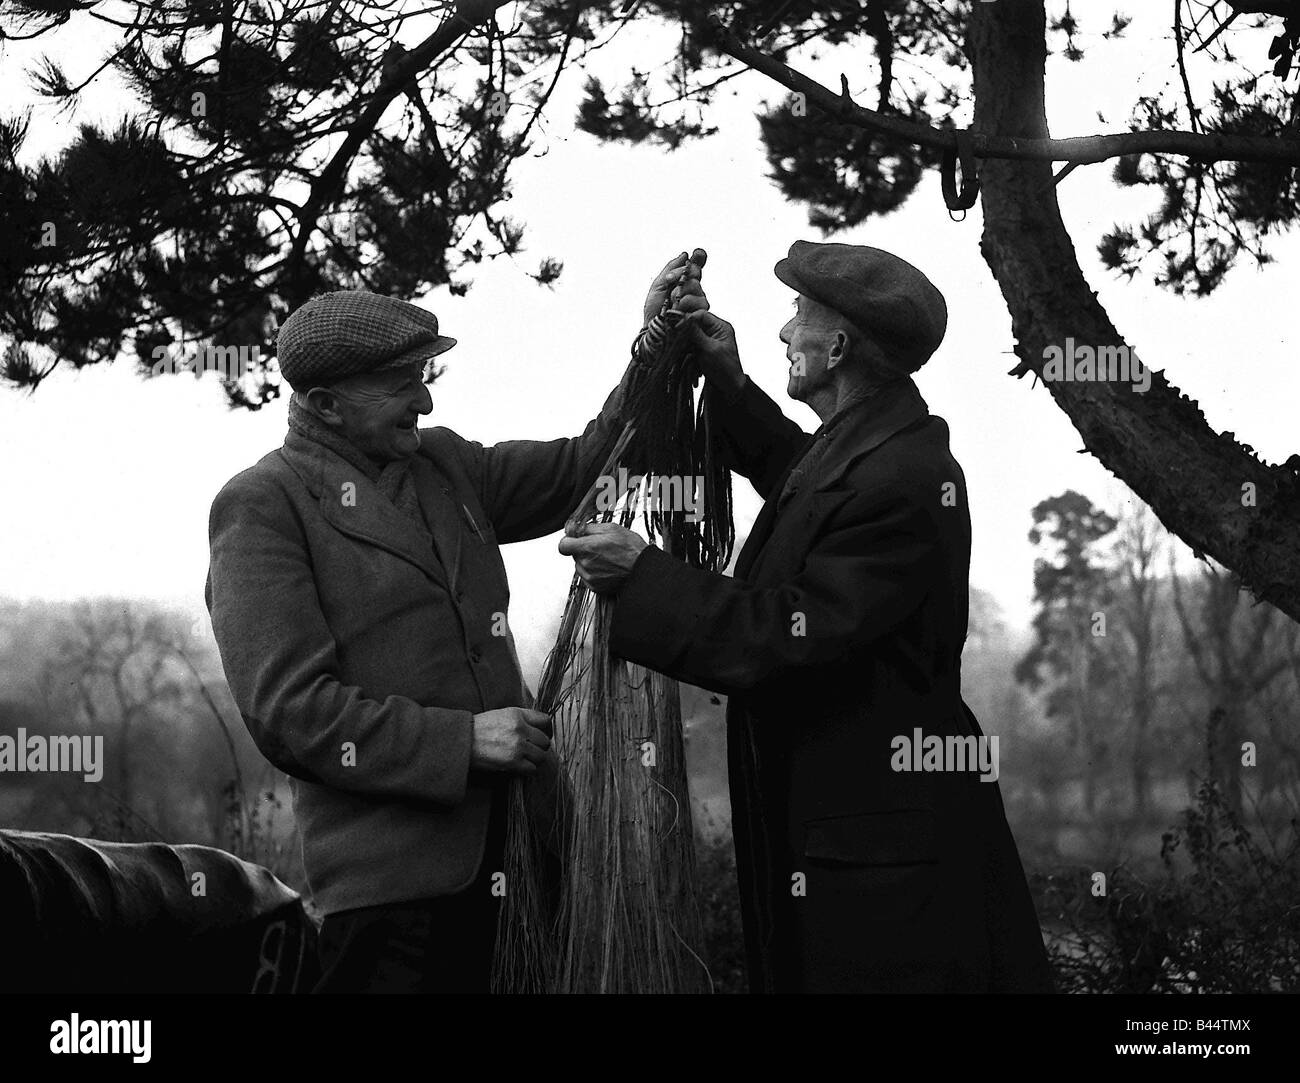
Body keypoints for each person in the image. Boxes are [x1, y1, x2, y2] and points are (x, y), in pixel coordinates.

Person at [560, 241, 1055, 993]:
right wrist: (726, 379)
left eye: (799, 316)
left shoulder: (905, 479)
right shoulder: (872, 448)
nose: (785, 334)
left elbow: (788, 634)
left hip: (885, 868)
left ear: (841, 345)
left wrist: (644, 576)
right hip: (865, 842)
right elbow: (803, 480)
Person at [204, 264, 692, 993]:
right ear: (325, 404)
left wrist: (652, 349)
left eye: (422, 376)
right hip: (395, 905)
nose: (425, 398)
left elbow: (587, 469)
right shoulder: (262, 507)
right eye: (401, 383)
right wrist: (460, 742)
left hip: (529, 861)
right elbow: (292, 713)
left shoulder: (444, 463)